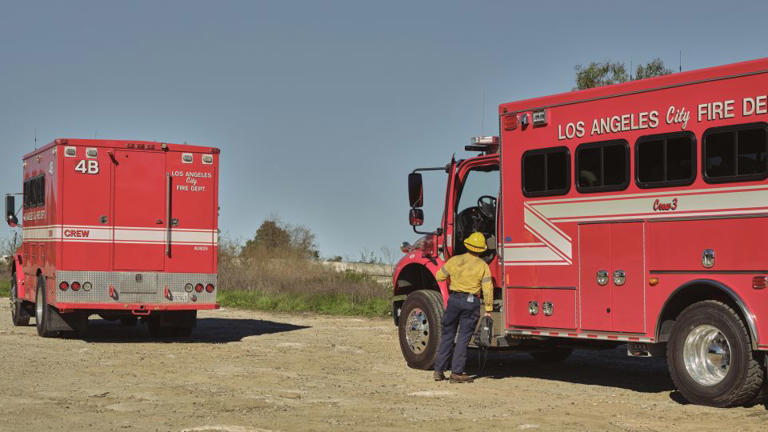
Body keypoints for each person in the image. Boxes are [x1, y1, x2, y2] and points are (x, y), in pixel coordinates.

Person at [433, 232, 494, 383]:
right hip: (471, 301)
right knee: (463, 338)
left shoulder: (455, 260)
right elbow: (488, 288)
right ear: (481, 249)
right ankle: (456, 373)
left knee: (447, 335)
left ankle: (439, 371)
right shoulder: (483, 266)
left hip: (454, 300)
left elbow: (439, 276)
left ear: (467, 245)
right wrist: (488, 309)